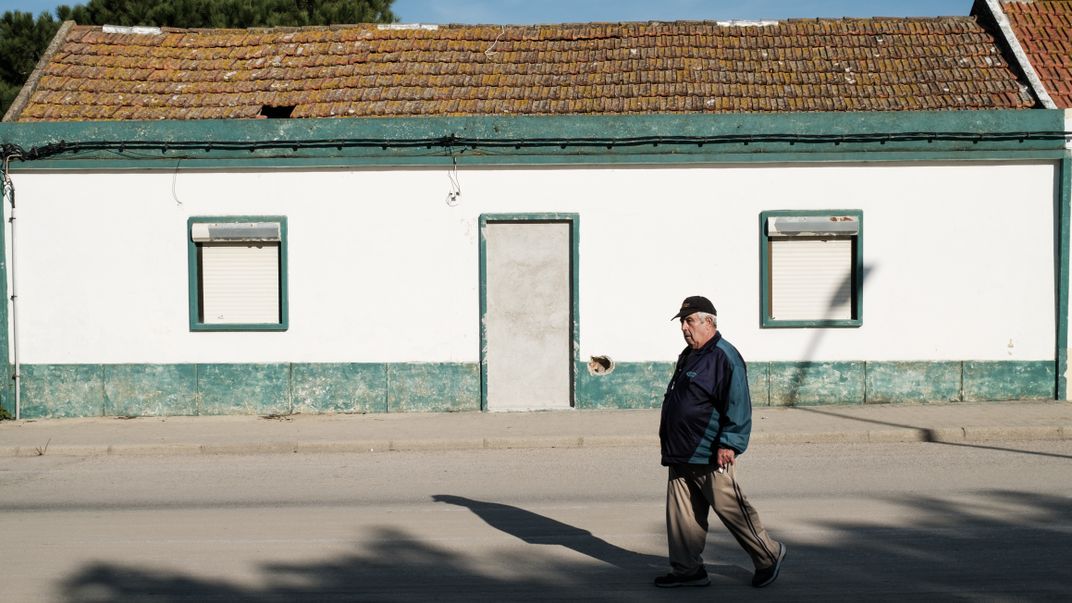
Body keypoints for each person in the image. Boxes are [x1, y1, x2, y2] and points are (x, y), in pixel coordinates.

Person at [654, 295, 786, 589]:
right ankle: (688, 570)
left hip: (710, 450)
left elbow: (737, 403)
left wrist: (729, 442)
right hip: (681, 452)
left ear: (708, 322)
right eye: (682, 322)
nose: (684, 328)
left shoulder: (724, 356)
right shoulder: (691, 354)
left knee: (732, 509)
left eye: (689, 321)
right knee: (682, 518)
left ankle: (769, 554)